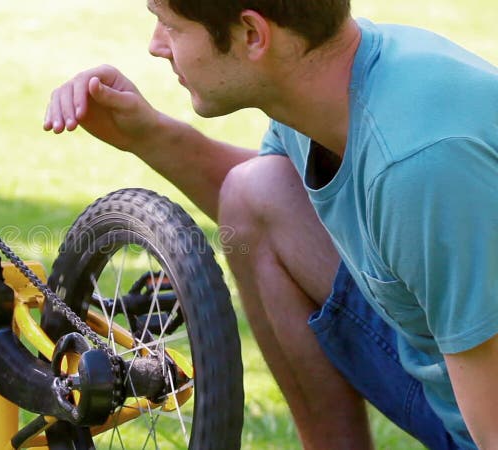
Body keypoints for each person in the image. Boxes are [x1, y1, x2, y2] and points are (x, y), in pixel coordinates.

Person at [44, 1, 498, 449]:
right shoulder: (339, 81)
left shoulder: (420, 166)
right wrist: (147, 134)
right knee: (253, 191)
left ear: (252, 35)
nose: (156, 46)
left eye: (171, 27)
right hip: (448, 380)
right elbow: (265, 213)